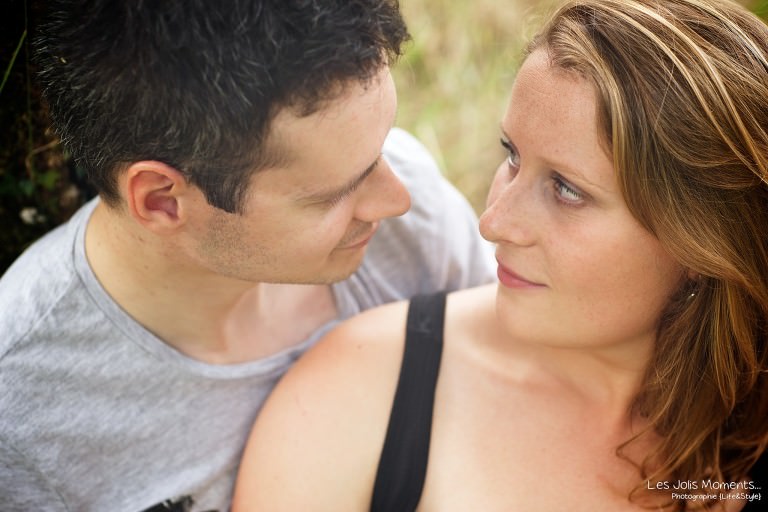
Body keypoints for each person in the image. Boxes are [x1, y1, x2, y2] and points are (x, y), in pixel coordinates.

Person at [232, 0, 768, 510]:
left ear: (704, 241)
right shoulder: (355, 398)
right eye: (511, 156)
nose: (493, 223)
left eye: (566, 189)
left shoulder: (751, 412)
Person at [0, 1, 495, 510]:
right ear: (162, 200)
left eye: (381, 148)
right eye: (334, 193)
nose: (398, 199)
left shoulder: (414, 221)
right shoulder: (21, 419)